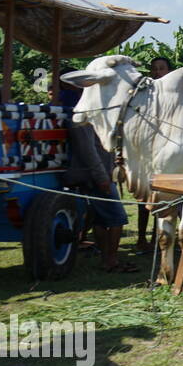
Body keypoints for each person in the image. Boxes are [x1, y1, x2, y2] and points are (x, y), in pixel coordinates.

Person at [65, 119, 136, 273]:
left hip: (102, 175)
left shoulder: (95, 120)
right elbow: (88, 152)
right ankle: (111, 260)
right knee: (118, 218)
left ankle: (108, 259)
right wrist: (102, 177)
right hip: (96, 177)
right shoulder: (82, 122)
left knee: (101, 220)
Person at [135, 57, 173, 253]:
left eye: (161, 69)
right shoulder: (144, 94)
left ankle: (156, 238)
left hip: (168, 154)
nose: (157, 72)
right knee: (144, 198)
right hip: (147, 153)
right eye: (154, 69)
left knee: (163, 199)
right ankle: (141, 239)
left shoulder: (175, 95)